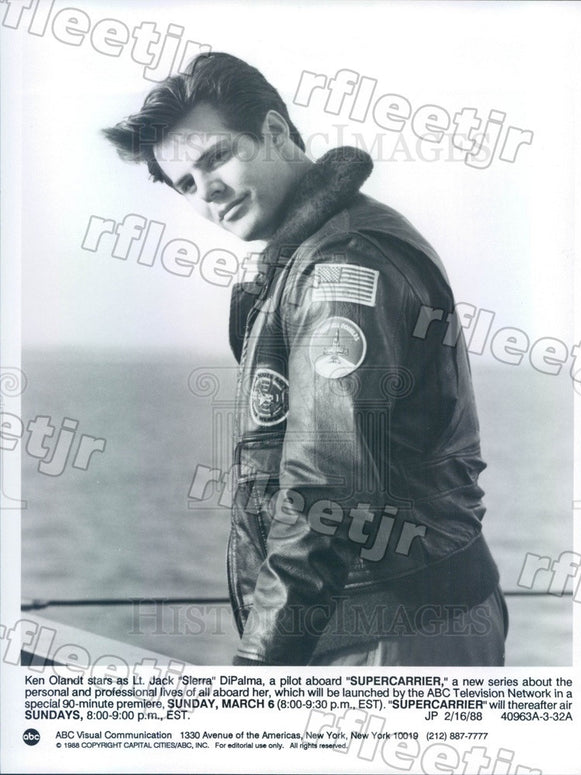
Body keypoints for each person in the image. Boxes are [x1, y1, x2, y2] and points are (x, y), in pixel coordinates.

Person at [103, 52, 508, 667]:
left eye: (216, 157)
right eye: (185, 184)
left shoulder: (340, 264)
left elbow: (327, 492)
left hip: (390, 636)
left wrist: (261, 666)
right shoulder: (310, 256)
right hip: (385, 624)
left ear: (273, 130)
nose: (207, 191)